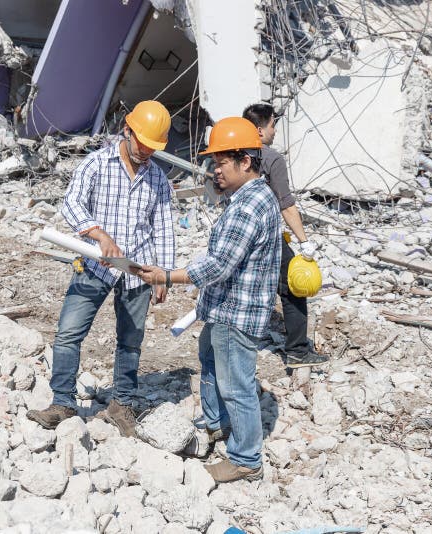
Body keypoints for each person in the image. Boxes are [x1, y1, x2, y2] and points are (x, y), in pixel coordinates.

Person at [136, 117, 280, 483]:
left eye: (221, 163)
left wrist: (167, 275)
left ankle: (246, 459)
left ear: (245, 161)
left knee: (237, 385)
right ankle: (218, 425)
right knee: (211, 364)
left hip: (237, 314)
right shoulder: (248, 197)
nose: (215, 171)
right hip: (224, 308)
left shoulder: (249, 205)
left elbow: (218, 266)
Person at [27, 100, 175, 437]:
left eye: (154, 147)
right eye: (143, 143)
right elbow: (72, 203)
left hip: (137, 268)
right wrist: (99, 235)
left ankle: (121, 404)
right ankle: (62, 402)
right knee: (68, 333)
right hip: (95, 264)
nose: (147, 152)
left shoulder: (158, 179)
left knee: (130, 340)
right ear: (127, 129)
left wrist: (163, 273)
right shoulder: (97, 163)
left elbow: (164, 227)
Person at [242, 103, 328, 367]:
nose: (275, 131)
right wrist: (305, 242)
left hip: (236, 232)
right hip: (266, 236)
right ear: (259, 130)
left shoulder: (230, 154)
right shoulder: (271, 158)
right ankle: (298, 350)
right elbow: (286, 205)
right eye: (272, 125)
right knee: (292, 287)